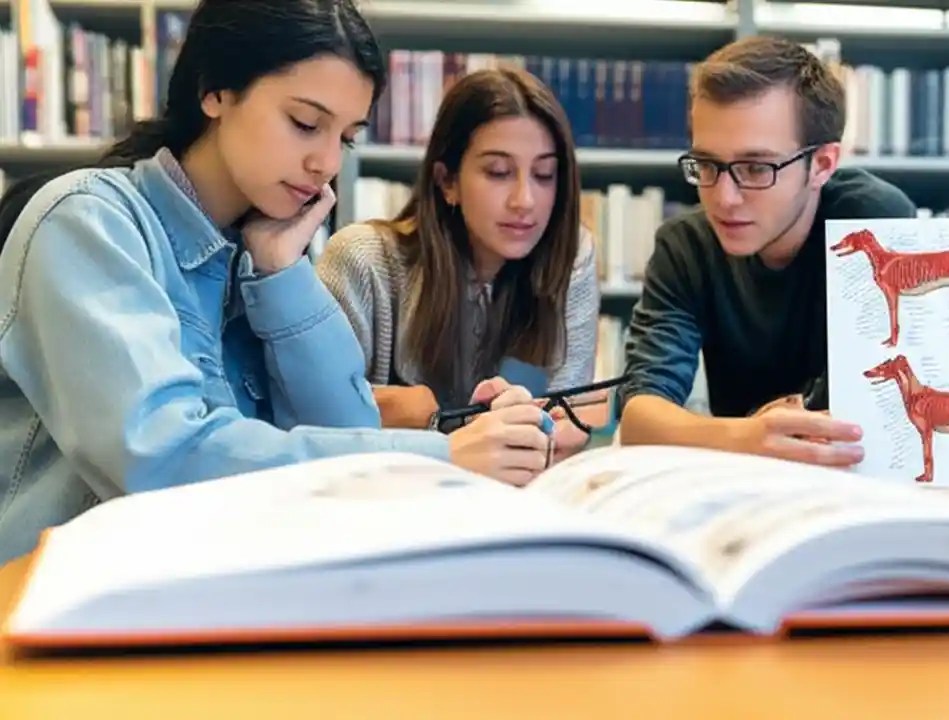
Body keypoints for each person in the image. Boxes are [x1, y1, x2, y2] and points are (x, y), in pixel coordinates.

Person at [0, 0, 551, 565]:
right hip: (56, 608)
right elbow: (162, 458)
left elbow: (345, 430)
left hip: (205, 594)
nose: (326, 163)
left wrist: (282, 275)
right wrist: (438, 459)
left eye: (346, 138)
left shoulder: (261, 254)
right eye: (306, 124)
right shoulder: (88, 221)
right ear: (215, 90)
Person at [616, 35, 917, 467]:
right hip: (746, 485)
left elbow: (868, 414)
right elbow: (640, 417)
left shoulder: (872, 222)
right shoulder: (684, 246)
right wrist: (745, 436)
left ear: (823, 165)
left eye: (756, 168)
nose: (723, 198)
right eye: (706, 165)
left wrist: (721, 436)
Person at [317, 66, 600, 461]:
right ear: (446, 181)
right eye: (498, 172)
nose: (525, 200)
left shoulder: (570, 257)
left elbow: (572, 421)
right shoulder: (363, 260)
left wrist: (552, 428)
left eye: (544, 174)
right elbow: (318, 420)